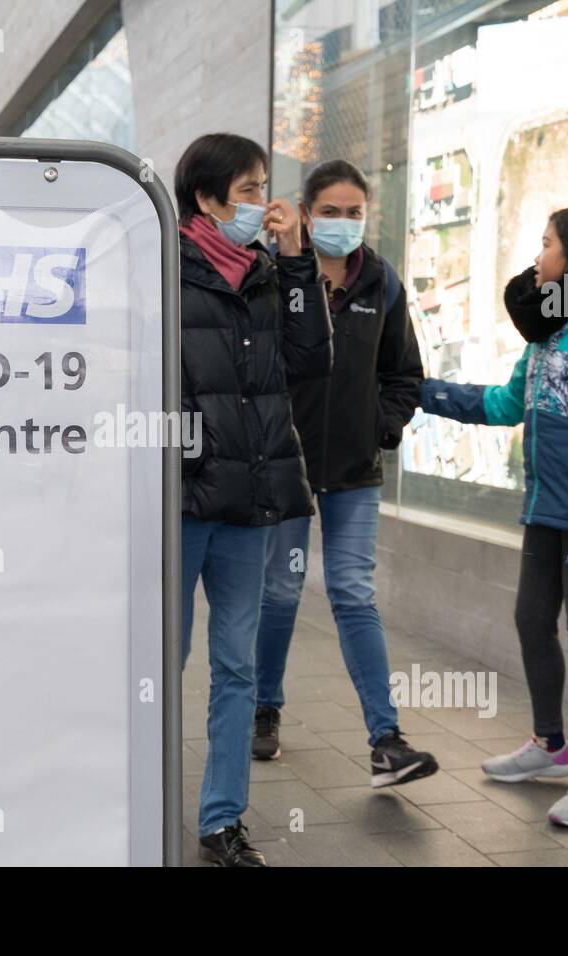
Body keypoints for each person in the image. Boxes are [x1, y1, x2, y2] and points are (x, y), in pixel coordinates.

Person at [420, 206, 568, 825]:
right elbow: (505, 405)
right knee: (532, 620)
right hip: (547, 510)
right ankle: (552, 746)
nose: (537, 257)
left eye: (547, 244)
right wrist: (420, 390)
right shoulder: (554, 330)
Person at [252, 159, 438, 788]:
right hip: (287, 469)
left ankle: (386, 740)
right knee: (279, 593)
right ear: (306, 214)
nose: (341, 223)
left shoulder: (382, 284)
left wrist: (381, 428)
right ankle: (263, 708)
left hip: (355, 472)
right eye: (328, 212)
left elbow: (403, 372)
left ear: (367, 216)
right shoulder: (275, 277)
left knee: (354, 593)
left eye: (353, 212)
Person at [177, 133, 331, 866]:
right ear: (205, 198)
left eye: (263, 187)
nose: (260, 204)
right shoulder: (162, 268)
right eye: (246, 190)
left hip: (249, 502)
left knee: (235, 667)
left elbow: (309, 359)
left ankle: (221, 822)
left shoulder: (271, 273)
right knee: (161, 659)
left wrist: (299, 258)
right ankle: (130, 802)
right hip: (176, 506)